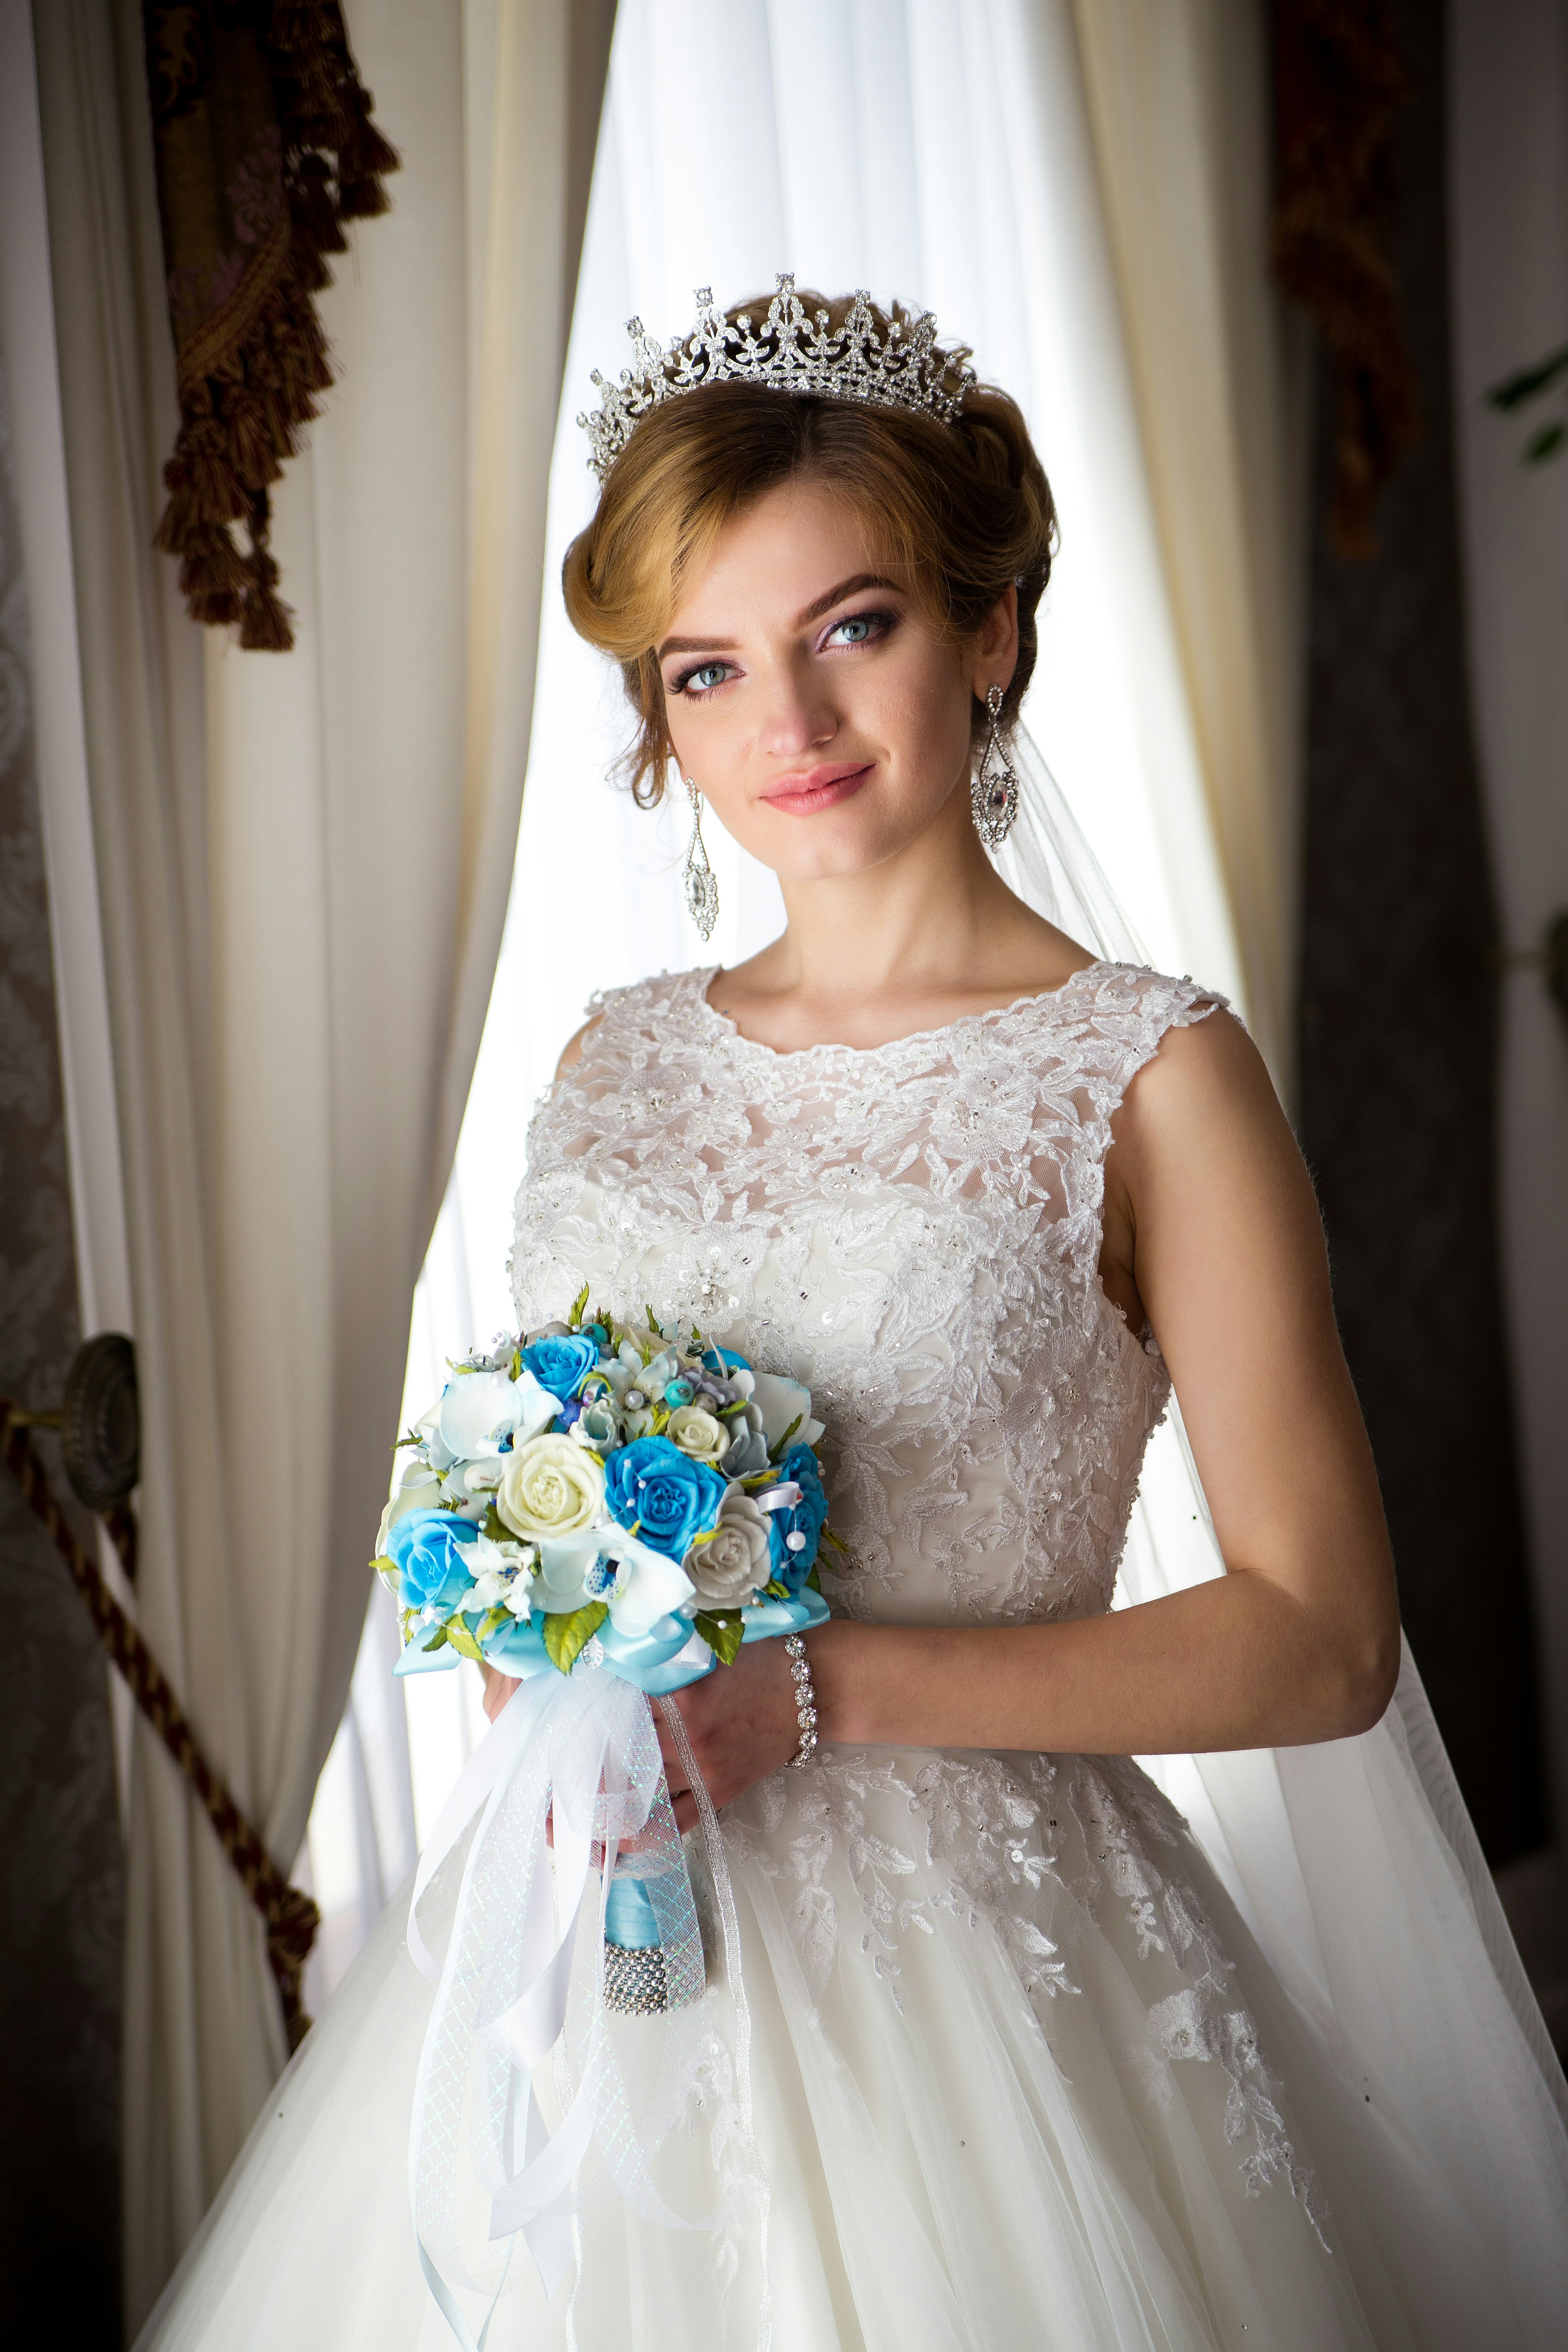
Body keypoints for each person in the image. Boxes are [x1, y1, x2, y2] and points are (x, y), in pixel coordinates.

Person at [139, 287, 1568, 2352]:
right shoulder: (612, 1062)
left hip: (994, 1979)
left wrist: (816, 1699)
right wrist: (542, 1642)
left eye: (855, 627)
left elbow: (1326, 1640)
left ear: (990, 634)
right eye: (709, 668)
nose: (783, 728)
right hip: (589, 1936)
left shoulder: (1152, 1080)